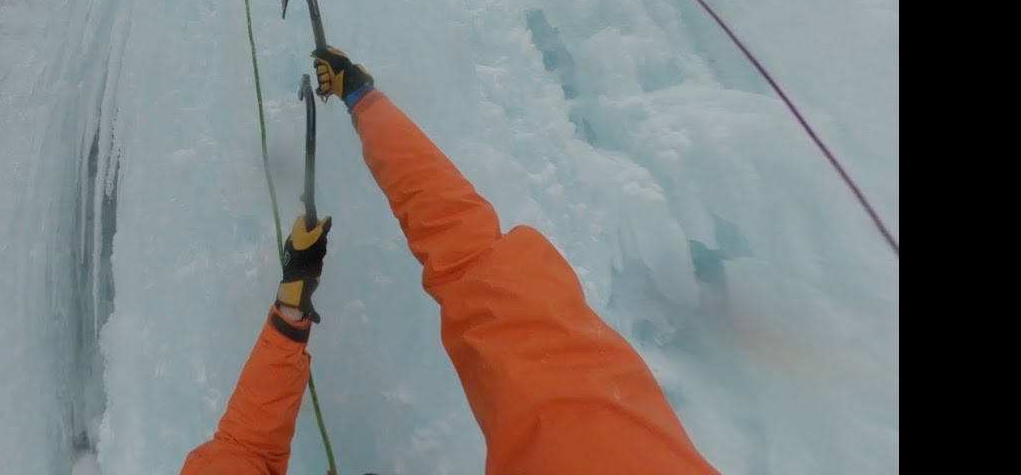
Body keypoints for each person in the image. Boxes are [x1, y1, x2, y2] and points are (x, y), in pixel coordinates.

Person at [181, 47, 718, 475]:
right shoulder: (594, 450)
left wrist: (289, 307)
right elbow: (479, 269)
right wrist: (364, 99)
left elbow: (242, 451)